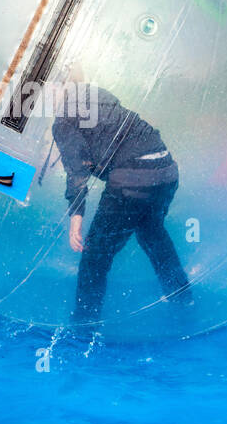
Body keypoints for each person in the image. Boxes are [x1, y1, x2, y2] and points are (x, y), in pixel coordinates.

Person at [50, 79, 192, 324]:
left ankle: (84, 325)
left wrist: (76, 219)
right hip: (166, 169)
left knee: (95, 254)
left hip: (133, 180)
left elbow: (77, 170)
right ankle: (183, 301)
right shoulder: (96, 96)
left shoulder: (63, 121)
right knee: (152, 233)